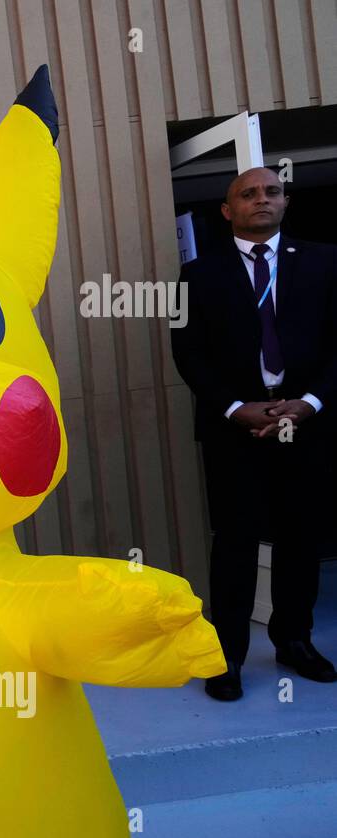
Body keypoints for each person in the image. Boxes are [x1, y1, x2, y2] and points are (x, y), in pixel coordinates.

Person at [172, 166, 337, 700]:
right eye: (248, 194)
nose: (261, 200)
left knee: (300, 538)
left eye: (271, 191)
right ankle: (228, 657)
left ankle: (294, 640)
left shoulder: (324, 262)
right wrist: (234, 407)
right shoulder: (198, 275)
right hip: (235, 432)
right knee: (236, 544)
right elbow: (188, 353)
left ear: (285, 202)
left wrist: (309, 404)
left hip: (306, 427)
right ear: (228, 210)